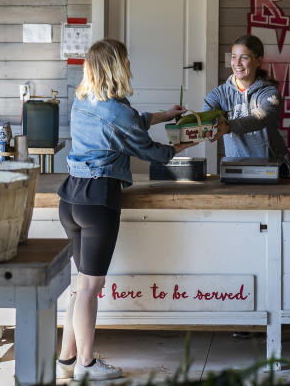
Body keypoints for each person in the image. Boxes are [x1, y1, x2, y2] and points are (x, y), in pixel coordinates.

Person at [55, 38, 205, 381]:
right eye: (125, 60)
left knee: (81, 287)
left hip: (72, 198)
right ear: (115, 66)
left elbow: (131, 121)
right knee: (90, 288)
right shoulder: (118, 111)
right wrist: (182, 144)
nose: (130, 65)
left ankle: (66, 360)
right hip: (98, 199)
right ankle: (87, 365)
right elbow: (148, 149)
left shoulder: (82, 100)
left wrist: (165, 115)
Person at [204, 34, 290, 177]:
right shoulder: (218, 94)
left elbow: (261, 117)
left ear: (258, 61)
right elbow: (206, 116)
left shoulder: (270, 93)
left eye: (244, 57)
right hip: (236, 167)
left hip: (273, 167)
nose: (237, 63)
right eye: (234, 57)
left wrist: (228, 126)